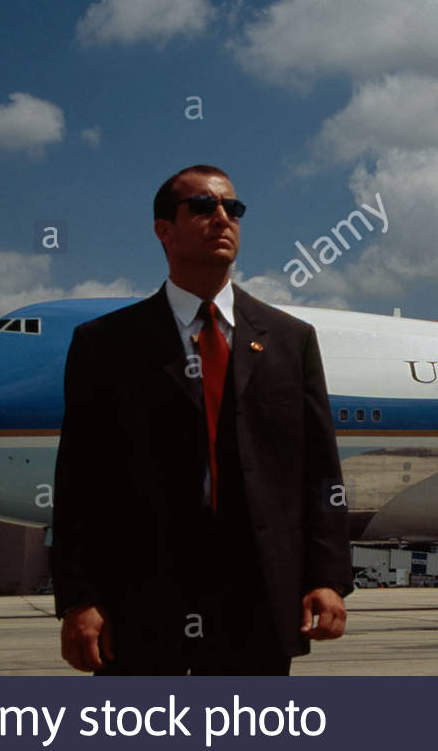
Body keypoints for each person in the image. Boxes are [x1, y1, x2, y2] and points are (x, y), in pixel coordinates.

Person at [51, 164, 352, 675]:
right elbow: (80, 483)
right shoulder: (106, 344)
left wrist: (327, 576)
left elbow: (320, 474)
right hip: (140, 599)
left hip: (255, 598)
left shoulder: (290, 339)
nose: (222, 218)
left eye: (232, 208)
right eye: (203, 207)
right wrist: (80, 598)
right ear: (163, 229)